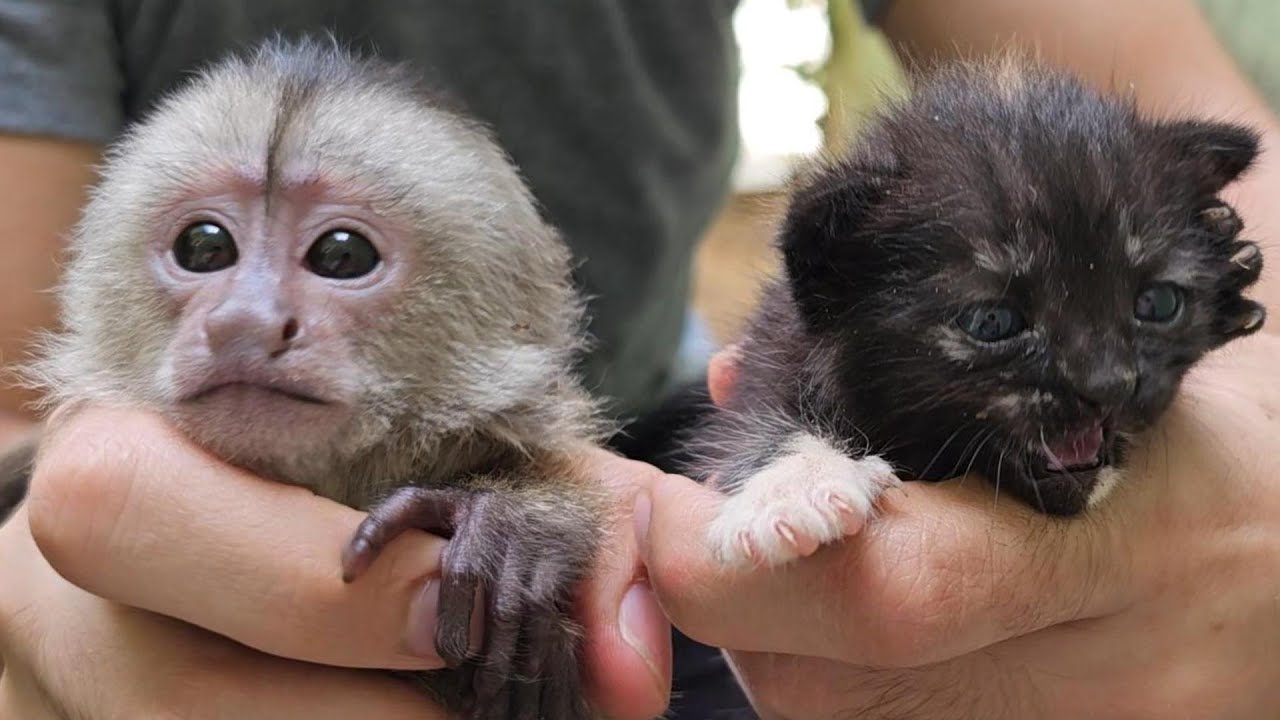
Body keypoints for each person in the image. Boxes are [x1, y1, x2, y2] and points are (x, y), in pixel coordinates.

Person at [1, 0, 1278, 718]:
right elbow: (21, 398)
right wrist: (36, 584)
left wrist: (1245, 494)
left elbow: (1198, 146)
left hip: (643, 462)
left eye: (340, 258)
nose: (240, 319)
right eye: (205, 247)